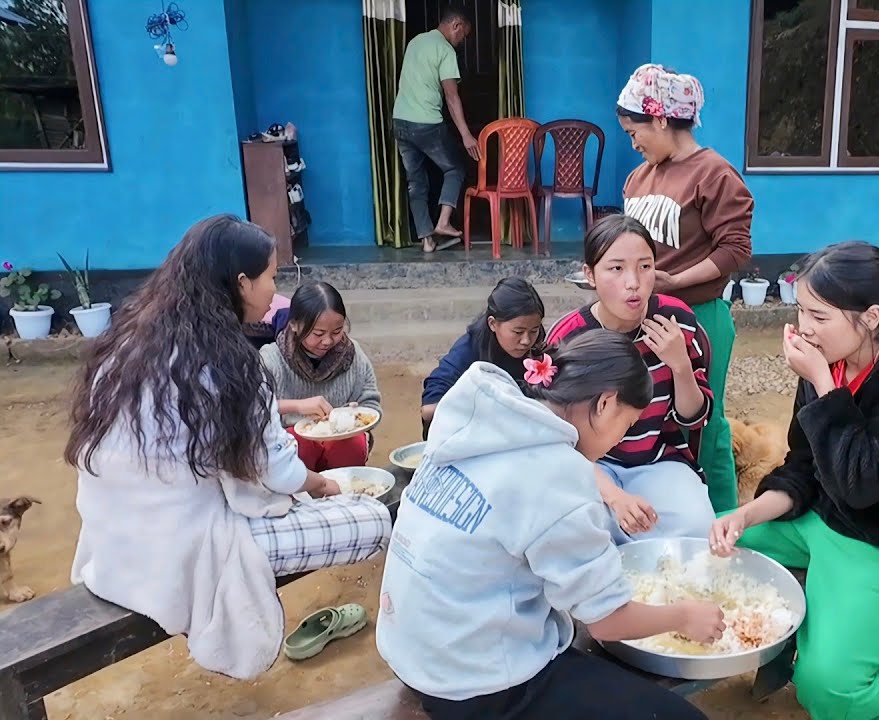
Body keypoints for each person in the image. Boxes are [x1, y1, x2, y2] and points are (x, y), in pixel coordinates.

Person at [65, 215, 391, 679]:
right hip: (185, 548)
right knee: (374, 519)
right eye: (271, 277)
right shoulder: (229, 362)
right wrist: (322, 486)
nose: (273, 290)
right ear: (241, 283)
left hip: (112, 545)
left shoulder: (126, 344)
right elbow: (275, 472)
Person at [378, 329, 722, 720]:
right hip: (472, 682)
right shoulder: (558, 473)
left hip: (408, 646)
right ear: (606, 404)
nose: (616, 443)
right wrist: (684, 615)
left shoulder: (481, 419)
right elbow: (608, 621)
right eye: (625, 427)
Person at [709, 241, 879, 720]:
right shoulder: (826, 359)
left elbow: (864, 482)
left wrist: (824, 386)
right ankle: (798, 625)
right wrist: (747, 513)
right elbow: (804, 464)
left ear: (871, 317)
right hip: (825, 518)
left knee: (828, 688)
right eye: (801, 310)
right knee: (711, 538)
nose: (803, 328)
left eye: (819, 316)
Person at [616, 62, 753, 514]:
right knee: (649, 417)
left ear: (660, 119)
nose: (632, 142)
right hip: (642, 315)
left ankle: (724, 523)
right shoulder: (638, 178)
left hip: (699, 315)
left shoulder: (714, 173)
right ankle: (673, 517)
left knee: (705, 425)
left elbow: (735, 248)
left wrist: (677, 280)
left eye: (635, 130)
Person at [547, 214, 716, 543]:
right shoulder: (569, 338)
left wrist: (680, 365)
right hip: (587, 465)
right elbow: (555, 439)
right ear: (589, 274)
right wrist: (613, 496)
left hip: (657, 460)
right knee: (576, 534)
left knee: (697, 531)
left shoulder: (676, 320)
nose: (633, 283)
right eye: (616, 268)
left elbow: (695, 418)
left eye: (645, 266)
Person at [259, 282, 382, 472]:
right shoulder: (271, 359)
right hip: (291, 456)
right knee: (299, 442)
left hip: (341, 447)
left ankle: (344, 496)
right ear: (294, 325)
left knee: (350, 442)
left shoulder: (353, 355)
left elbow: (372, 406)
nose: (327, 341)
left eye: (337, 331)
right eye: (318, 333)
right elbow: (251, 408)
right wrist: (296, 406)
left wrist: (353, 416)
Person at [392, 6, 479, 252]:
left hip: (400, 122)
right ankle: (443, 222)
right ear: (456, 25)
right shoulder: (444, 49)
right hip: (426, 123)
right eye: (463, 36)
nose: (461, 42)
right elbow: (452, 97)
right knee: (455, 167)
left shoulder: (415, 42)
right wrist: (465, 135)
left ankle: (426, 240)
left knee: (416, 182)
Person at [420, 277, 546, 438]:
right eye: (518, 332)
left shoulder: (539, 347)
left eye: (534, 330)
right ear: (493, 324)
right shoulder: (469, 351)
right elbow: (428, 410)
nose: (526, 340)